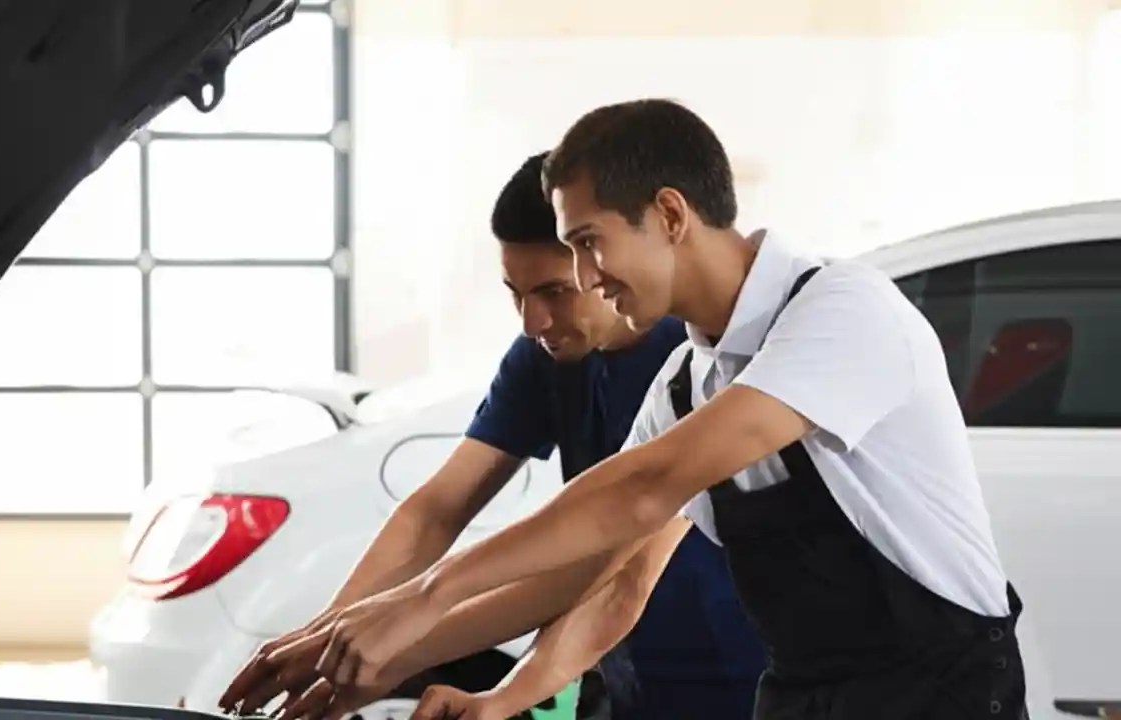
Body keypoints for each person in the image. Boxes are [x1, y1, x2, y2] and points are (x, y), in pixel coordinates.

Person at [297, 99, 1029, 720]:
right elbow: (615, 578)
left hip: (939, 695)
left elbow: (646, 485)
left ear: (670, 213)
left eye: (588, 244)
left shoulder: (842, 309)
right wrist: (505, 697)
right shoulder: (685, 380)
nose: (586, 277)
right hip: (802, 698)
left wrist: (426, 596)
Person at [218, 152, 765, 719]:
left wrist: (393, 653)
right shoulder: (546, 357)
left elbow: (610, 572)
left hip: (755, 687)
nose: (532, 322)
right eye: (516, 294)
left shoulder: (702, 366)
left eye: (555, 292)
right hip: (634, 688)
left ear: (600, 262)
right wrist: (328, 637)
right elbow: (434, 513)